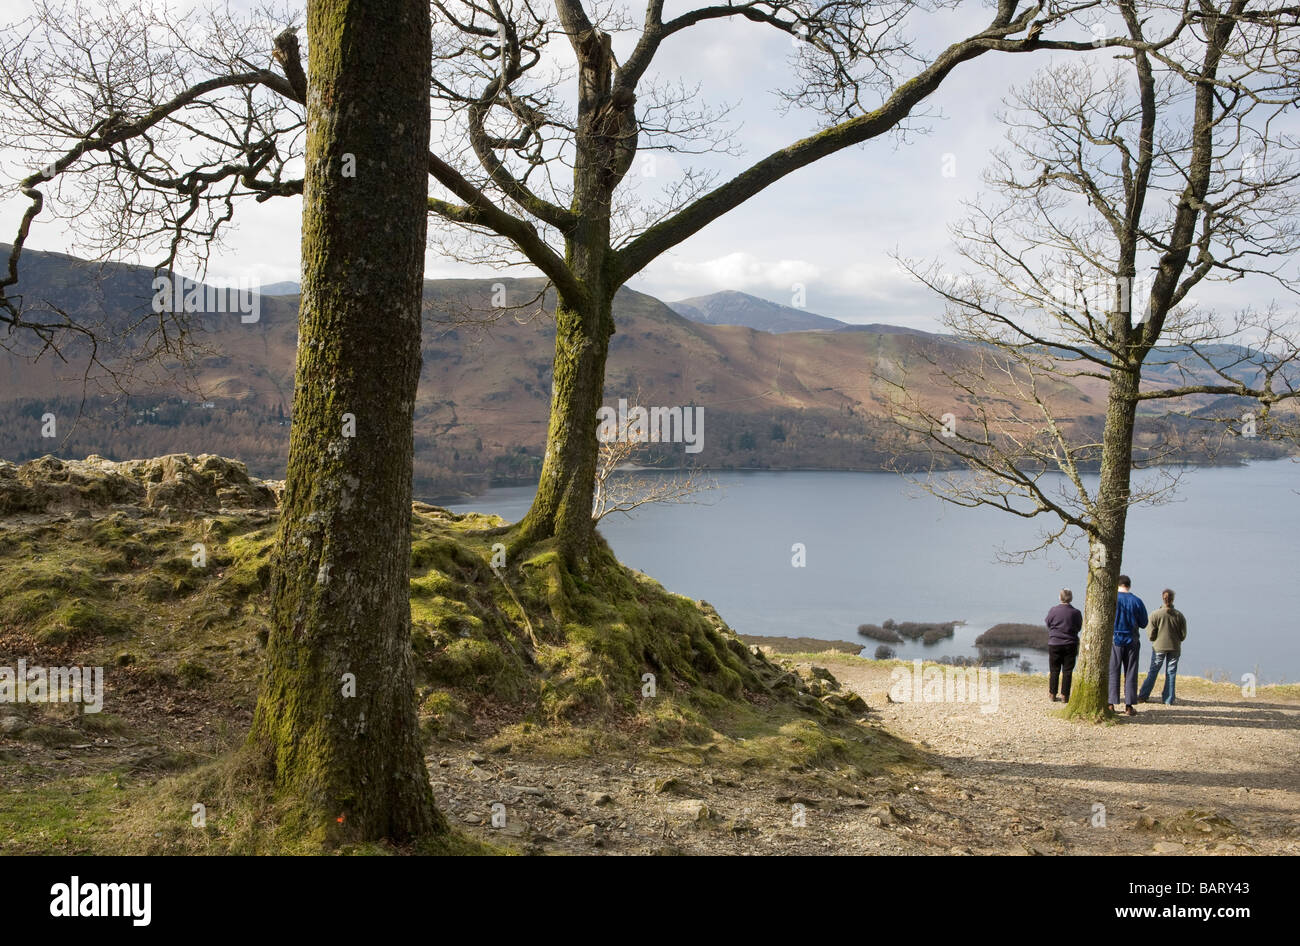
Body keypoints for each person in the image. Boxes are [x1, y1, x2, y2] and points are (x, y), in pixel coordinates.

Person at [1138, 589, 1187, 705]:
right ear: (1173, 599)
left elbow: (1150, 635)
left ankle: (1143, 696)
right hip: (1174, 647)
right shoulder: (1179, 615)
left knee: (1153, 672)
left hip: (1159, 646)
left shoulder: (1155, 615)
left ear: (1162, 598)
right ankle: (1168, 699)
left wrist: (1156, 638)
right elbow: (1183, 635)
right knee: (1171, 672)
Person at [1108, 575, 1148, 716]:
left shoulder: (1112, 600)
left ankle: (1111, 703)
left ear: (1117, 585)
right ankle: (1129, 705)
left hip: (1115, 639)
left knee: (1113, 670)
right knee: (1130, 672)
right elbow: (1144, 623)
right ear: (1129, 585)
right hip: (1132, 640)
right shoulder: (1136, 601)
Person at [1045, 588, 1082, 702]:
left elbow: (1048, 622)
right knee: (1067, 670)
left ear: (1060, 597)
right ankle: (1065, 695)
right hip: (1070, 643)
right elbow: (1079, 627)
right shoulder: (1076, 612)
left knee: (1054, 669)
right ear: (1071, 598)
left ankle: (1052, 693)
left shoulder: (1053, 610)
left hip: (1055, 643)